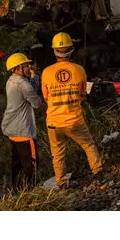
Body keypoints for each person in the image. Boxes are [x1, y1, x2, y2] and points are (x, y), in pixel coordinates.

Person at [41, 32, 103, 189]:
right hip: (74, 120)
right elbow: (82, 96)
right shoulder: (79, 70)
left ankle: (62, 183)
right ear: (71, 50)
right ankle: (99, 175)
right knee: (88, 145)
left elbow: (46, 97)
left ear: (54, 51)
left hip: (54, 122)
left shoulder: (46, 72)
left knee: (57, 154)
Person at [2, 53, 45, 190]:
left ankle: (16, 190)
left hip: (12, 128)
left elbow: (29, 89)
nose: (29, 68)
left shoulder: (11, 81)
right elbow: (36, 103)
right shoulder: (23, 84)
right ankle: (30, 191)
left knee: (17, 163)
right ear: (18, 68)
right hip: (24, 130)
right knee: (31, 164)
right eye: (26, 66)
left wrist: (34, 76)